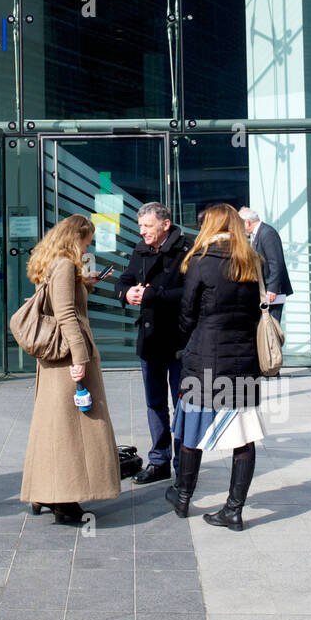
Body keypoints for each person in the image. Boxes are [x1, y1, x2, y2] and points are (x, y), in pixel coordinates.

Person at [167, 204, 266, 532]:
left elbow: (187, 313)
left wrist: (185, 339)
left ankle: (183, 498)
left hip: (205, 358)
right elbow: (256, 311)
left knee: (190, 432)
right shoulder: (251, 260)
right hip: (243, 360)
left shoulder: (201, 260)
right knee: (244, 438)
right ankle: (233, 510)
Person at [19, 214, 121, 524]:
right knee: (71, 430)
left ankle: (43, 492)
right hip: (67, 357)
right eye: (86, 242)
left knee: (51, 427)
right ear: (74, 238)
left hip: (54, 360)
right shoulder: (64, 265)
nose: (86, 248)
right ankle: (63, 500)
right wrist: (80, 359)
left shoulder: (52, 262)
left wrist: (85, 283)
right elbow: (66, 315)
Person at [116, 202, 192, 483]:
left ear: (165, 225)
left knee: (183, 402)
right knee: (154, 403)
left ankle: (185, 462)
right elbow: (122, 281)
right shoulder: (141, 248)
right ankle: (159, 461)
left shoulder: (188, 249)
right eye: (140, 226)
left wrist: (153, 295)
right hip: (149, 339)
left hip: (180, 339)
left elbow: (191, 293)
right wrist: (127, 294)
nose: (142, 231)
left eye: (147, 226)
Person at [239, 207, 292, 324]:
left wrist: (272, 288)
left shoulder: (267, 233)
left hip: (271, 291)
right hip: (263, 289)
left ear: (247, 222)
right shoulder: (256, 234)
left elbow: (276, 262)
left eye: (240, 223)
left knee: (270, 327)